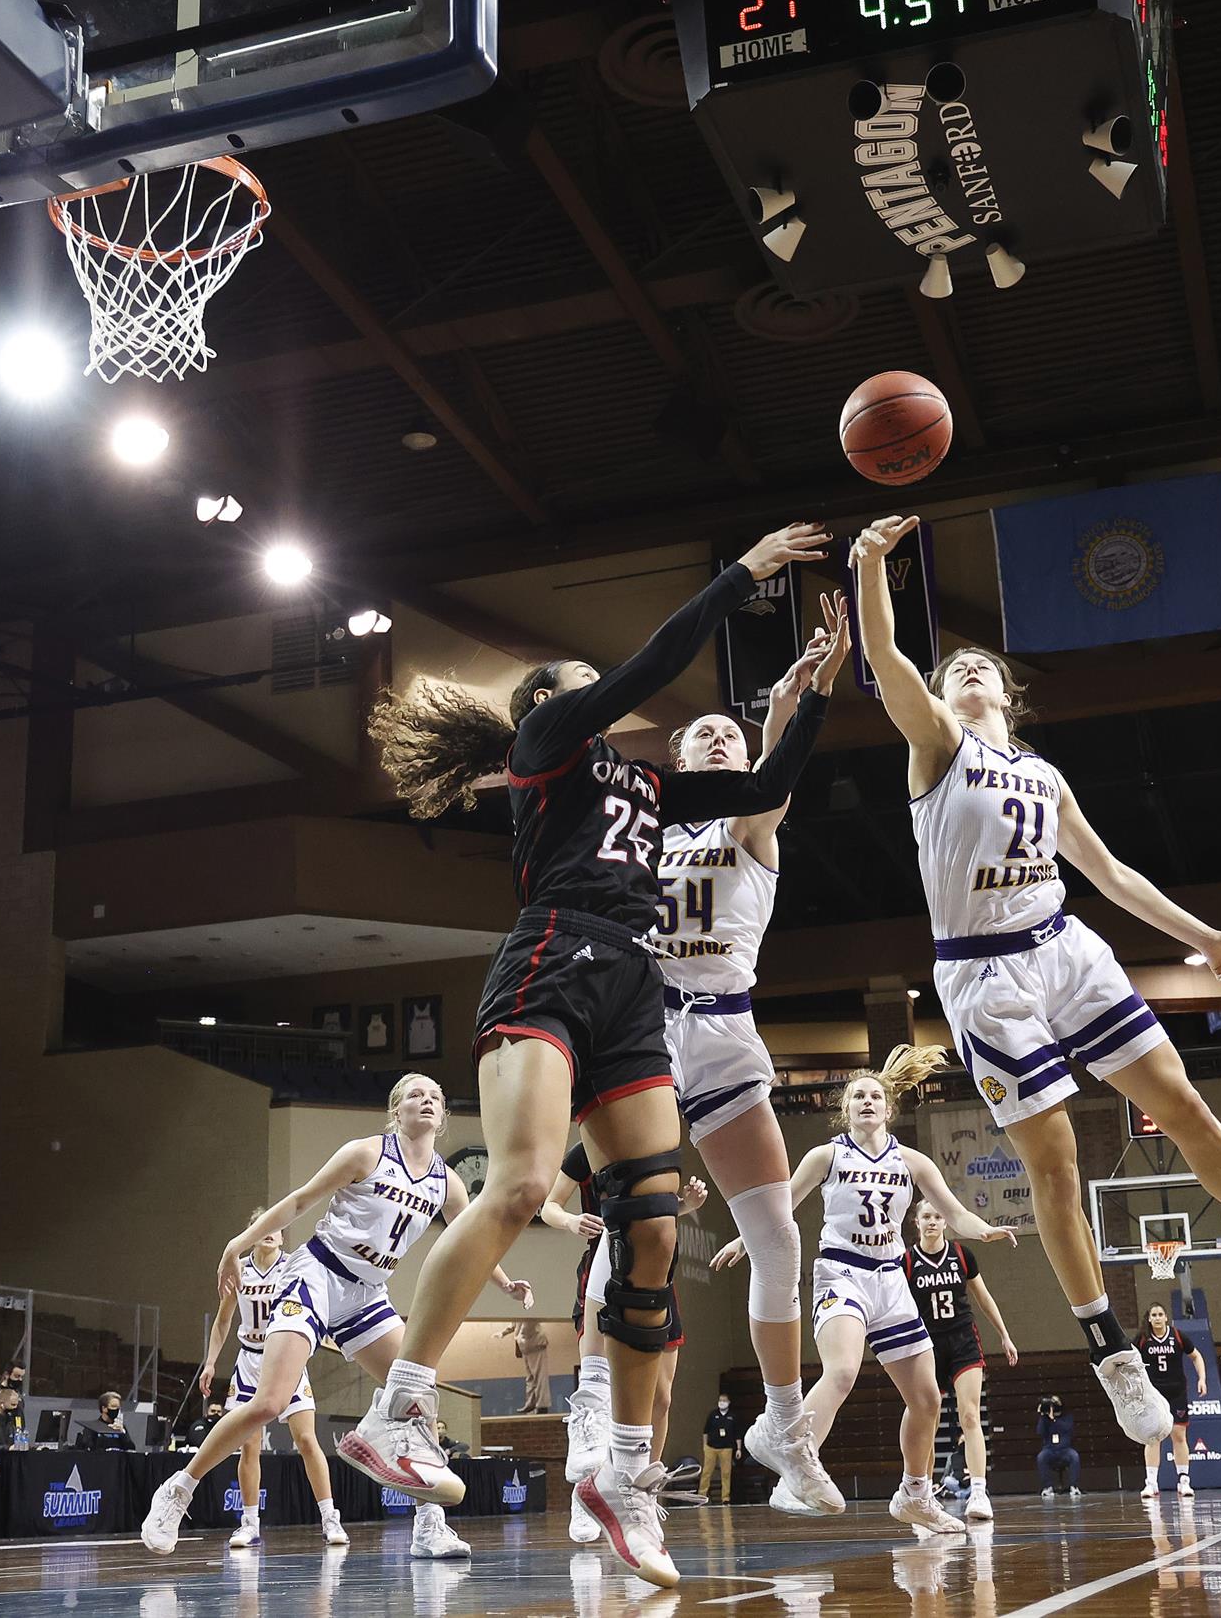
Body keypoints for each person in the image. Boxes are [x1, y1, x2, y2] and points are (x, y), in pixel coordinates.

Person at [348, 522, 836, 1589]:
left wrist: (812, 696)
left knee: (652, 1227)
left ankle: (622, 1473)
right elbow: (649, 664)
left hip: (632, 988)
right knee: (524, 1184)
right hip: (552, 959)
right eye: (582, 677)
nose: (600, 684)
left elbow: (761, 791)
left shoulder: (648, 784)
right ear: (547, 700)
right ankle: (397, 1408)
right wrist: (740, 579)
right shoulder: (550, 743)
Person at [849, 513, 1221, 1451]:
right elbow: (886, 656)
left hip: (1066, 947)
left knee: (1181, 1102)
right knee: (1056, 1163)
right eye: (956, 668)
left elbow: (1110, 875)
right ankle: (1111, 1353)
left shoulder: (1044, 775)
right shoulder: (937, 745)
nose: (968, 671)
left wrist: (1203, 937)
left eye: (983, 667)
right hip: (984, 975)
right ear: (941, 697)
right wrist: (869, 566)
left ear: (1010, 694)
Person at [141, 1073, 533, 1561]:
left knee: (417, 1396)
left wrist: (505, 1283)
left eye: (435, 1096)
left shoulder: (447, 1183)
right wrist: (236, 1245)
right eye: (416, 1095)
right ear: (396, 1110)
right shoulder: (365, 1153)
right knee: (268, 1404)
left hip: (367, 1293)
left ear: (443, 1115)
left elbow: (472, 1240)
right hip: (318, 1273)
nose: (427, 1101)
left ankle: (429, 1525)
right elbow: (299, 1200)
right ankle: (178, 1491)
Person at [651, 595, 853, 1520]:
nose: (718, 738)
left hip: (724, 1033)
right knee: (630, 1235)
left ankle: (782, 1424)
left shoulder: (747, 828)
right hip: (644, 1032)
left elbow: (771, 783)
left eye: (729, 734)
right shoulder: (646, 833)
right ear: (677, 761)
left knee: (777, 1236)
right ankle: (598, 1439)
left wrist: (785, 704)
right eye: (703, 733)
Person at [714, 1049, 1016, 1535]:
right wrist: (742, 1240)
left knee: (927, 1399)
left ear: (889, 1108)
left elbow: (955, 1213)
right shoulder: (827, 1156)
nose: (867, 1101)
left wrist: (983, 1229)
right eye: (858, 1096)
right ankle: (794, 1466)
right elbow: (780, 1206)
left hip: (892, 1281)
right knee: (842, 1371)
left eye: (875, 1095)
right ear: (846, 1109)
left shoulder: (912, 1162)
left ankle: (915, 1495)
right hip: (842, 1274)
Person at [542, 1143, 708, 1544]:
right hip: (605, 1265)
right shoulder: (586, 1151)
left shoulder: (657, 1147)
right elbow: (548, 1206)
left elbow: (657, 1214)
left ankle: (642, 1491)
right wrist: (570, 1221)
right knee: (602, 1392)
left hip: (656, 1274)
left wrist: (685, 1206)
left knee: (661, 1398)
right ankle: (585, 1491)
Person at [198, 1208, 347, 1550]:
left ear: (282, 1235)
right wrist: (211, 1362)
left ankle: (330, 1518)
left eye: (276, 1227)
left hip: (284, 1358)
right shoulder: (239, 1268)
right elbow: (223, 1320)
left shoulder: (294, 1265)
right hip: (249, 1360)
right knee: (249, 1446)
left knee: (306, 1439)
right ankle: (249, 1523)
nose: (269, 1232)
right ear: (251, 1233)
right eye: (261, 1227)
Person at [903, 1199, 1018, 1520]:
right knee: (927, 1421)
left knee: (970, 1415)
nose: (932, 1222)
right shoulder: (907, 1262)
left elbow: (984, 1297)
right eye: (926, 1216)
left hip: (963, 1341)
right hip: (926, 1347)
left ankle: (979, 1492)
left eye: (938, 1216)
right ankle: (923, 1496)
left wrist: (1004, 1334)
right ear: (916, 1222)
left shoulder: (962, 1255)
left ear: (946, 1223)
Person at [1135, 1303, 1207, 1498]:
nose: (1157, 1318)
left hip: (1176, 1393)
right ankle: (1151, 1483)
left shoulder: (1177, 1336)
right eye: (1154, 1315)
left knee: (1179, 1435)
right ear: (1149, 1319)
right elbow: (1131, 1362)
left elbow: (1196, 1356)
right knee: (1153, 1437)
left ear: (1166, 1317)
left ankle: (1184, 1481)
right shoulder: (1142, 1339)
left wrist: (1202, 1378)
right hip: (1153, 1395)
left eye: (1160, 1314)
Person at [501, 1317, 552, 1414]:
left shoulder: (527, 1310)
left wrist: (520, 1336)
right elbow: (514, 1324)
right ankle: (531, 1403)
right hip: (526, 1345)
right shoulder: (517, 1312)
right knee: (530, 1378)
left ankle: (542, 1405)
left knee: (540, 1376)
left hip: (535, 1343)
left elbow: (528, 1324)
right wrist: (503, 1333)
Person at [1035, 1393, 1080, 1499]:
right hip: (1049, 1450)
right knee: (1041, 1457)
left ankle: (1073, 1486)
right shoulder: (1045, 1419)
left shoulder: (1067, 1417)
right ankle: (1048, 1487)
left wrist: (1054, 1420)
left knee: (1074, 1456)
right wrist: (1043, 1416)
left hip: (1065, 1450)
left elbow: (1066, 1428)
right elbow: (1040, 1432)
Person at [700, 1394, 740, 1505]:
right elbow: (705, 1431)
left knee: (726, 1473)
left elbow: (737, 1434)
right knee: (707, 1472)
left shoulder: (732, 1416)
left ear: (729, 1402)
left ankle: (725, 1498)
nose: (722, 1402)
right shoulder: (713, 1415)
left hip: (726, 1448)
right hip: (711, 1447)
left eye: (724, 1400)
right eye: (720, 1400)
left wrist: (738, 1449)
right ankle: (702, 1495)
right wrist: (705, 1445)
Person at [0, 1385, 28, 1454]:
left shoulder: (10, 1422)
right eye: (13, 1405)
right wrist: (8, 1448)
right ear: (2, 1404)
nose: (15, 1408)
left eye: (17, 1405)